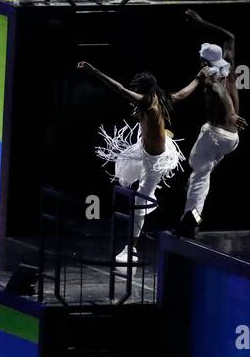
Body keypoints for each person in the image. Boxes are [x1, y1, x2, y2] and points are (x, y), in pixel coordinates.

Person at [78, 61, 200, 264]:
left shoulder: (148, 103)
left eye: (137, 90)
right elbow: (181, 94)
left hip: (155, 162)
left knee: (139, 204)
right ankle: (132, 179)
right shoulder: (159, 98)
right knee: (123, 167)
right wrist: (198, 78)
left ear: (143, 91)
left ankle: (130, 249)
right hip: (143, 149)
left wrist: (94, 71)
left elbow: (118, 89)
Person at [174, 10, 247, 237]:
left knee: (197, 171)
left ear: (205, 61)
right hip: (232, 139)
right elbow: (230, 36)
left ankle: (189, 221)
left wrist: (232, 113)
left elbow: (220, 91)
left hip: (216, 134)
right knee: (203, 173)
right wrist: (203, 22)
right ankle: (192, 211)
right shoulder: (229, 66)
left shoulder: (211, 76)